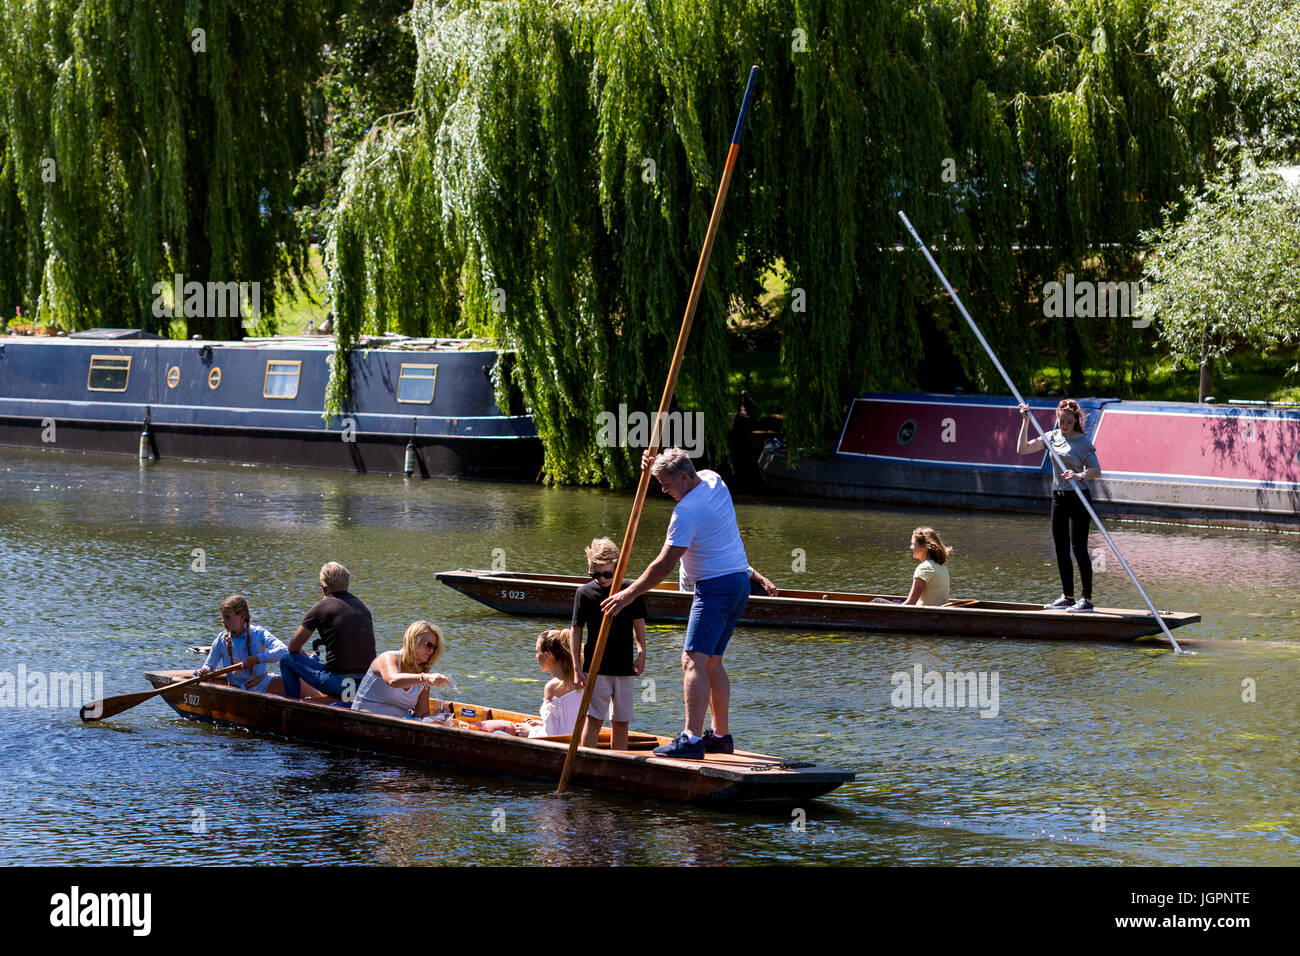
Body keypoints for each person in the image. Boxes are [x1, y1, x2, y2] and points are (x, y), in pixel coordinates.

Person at [602, 448, 750, 760]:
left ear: (684, 477)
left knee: (692, 660)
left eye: (666, 484)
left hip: (715, 589)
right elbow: (680, 464)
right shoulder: (713, 480)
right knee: (712, 661)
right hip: (739, 583)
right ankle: (720, 737)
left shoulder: (686, 512)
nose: (663, 490)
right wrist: (651, 466)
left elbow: (663, 565)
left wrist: (629, 594)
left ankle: (691, 741)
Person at [1017, 399, 1102, 612]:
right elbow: (1022, 449)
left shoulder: (1082, 442)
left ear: (1075, 422)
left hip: (1079, 497)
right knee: (1061, 549)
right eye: (1061, 421)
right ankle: (1068, 597)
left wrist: (1079, 475)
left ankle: (1087, 600)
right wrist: (1025, 421)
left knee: (1079, 548)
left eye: (1068, 422)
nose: (1064, 425)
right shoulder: (1051, 437)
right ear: (1057, 418)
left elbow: (1096, 470)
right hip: (1058, 497)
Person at [570, 537, 647, 751]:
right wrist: (577, 668)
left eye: (607, 574)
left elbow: (638, 622)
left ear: (617, 567)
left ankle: (618, 761)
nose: (602, 579)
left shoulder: (630, 591)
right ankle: (587, 761)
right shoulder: (584, 593)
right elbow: (576, 631)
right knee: (595, 719)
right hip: (596, 669)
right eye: (595, 574)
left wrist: (642, 652)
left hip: (624, 667)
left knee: (621, 721)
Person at [280, 562, 377, 700]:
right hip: (366, 684)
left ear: (324, 588)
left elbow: (293, 647)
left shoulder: (320, 608)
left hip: (341, 684)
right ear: (347, 585)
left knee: (286, 660)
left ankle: (292, 706)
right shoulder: (363, 607)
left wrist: (305, 656)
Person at [467, 629, 581, 737]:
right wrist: (542, 724)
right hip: (573, 738)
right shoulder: (580, 680)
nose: (536, 656)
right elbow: (566, 723)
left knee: (498, 730)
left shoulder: (553, 687)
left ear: (547, 655)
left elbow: (549, 736)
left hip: (560, 744)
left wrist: (530, 731)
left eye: (537, 651)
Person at [350, 621, 454, 719]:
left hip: (398, 725)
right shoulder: (387, 657)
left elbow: (422, 714)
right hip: (365, 719)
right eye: (428, 645)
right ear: (413, 641)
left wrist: (437, 719)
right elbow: (393, 680)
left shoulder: (424, 675)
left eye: (434, 647)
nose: (431, 650)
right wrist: (425, 678)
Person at [194, 594, 287, 694]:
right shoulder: (220, 640)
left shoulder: (259, 633)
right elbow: (208, 665)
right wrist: (204, 671)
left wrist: (257, 659)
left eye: (227, 617)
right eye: (222, 617)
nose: (222, 621)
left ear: (242, 616)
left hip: (263, 687)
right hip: (235, 691)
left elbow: (284, 651)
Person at [903, 527, 952, 606]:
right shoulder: (942, 567)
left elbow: (910, 603)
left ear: (924, 547)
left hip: (923, 615)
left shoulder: (924, 568)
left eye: (913, 544)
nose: (910, 547)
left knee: (878, 601)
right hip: (938, 614)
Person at [679, 565, 778, 597]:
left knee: (747, 579)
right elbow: (739, 568)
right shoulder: (703, 554)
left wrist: (764, 580)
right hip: (704, 598)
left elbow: (740, 566)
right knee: (741, 578)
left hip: (713, 593)